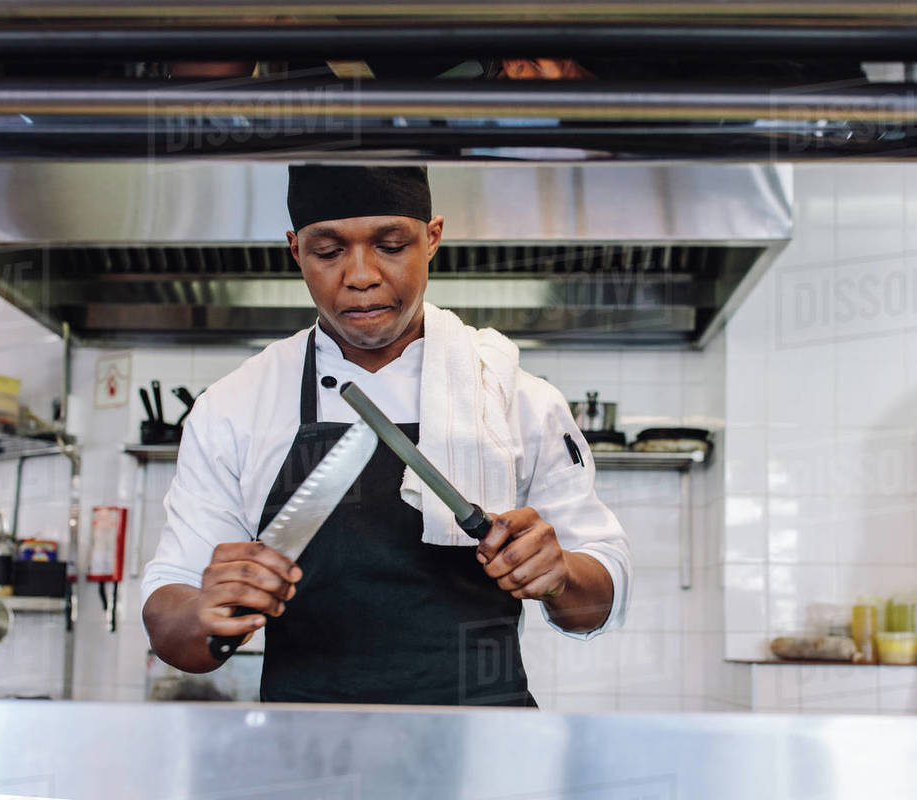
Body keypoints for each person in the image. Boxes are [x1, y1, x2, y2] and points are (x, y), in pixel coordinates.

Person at [141, 165, 629, 707]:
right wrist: (203, 611)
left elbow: (598, 602)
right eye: (328, 252)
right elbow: (171, 611)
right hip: (306, 756)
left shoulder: (517, 398)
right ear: (295, 251)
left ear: (433, 238)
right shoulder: (235, 406)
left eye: (391, 245)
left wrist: (559, 574)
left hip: (486, 754)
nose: (361, 275)